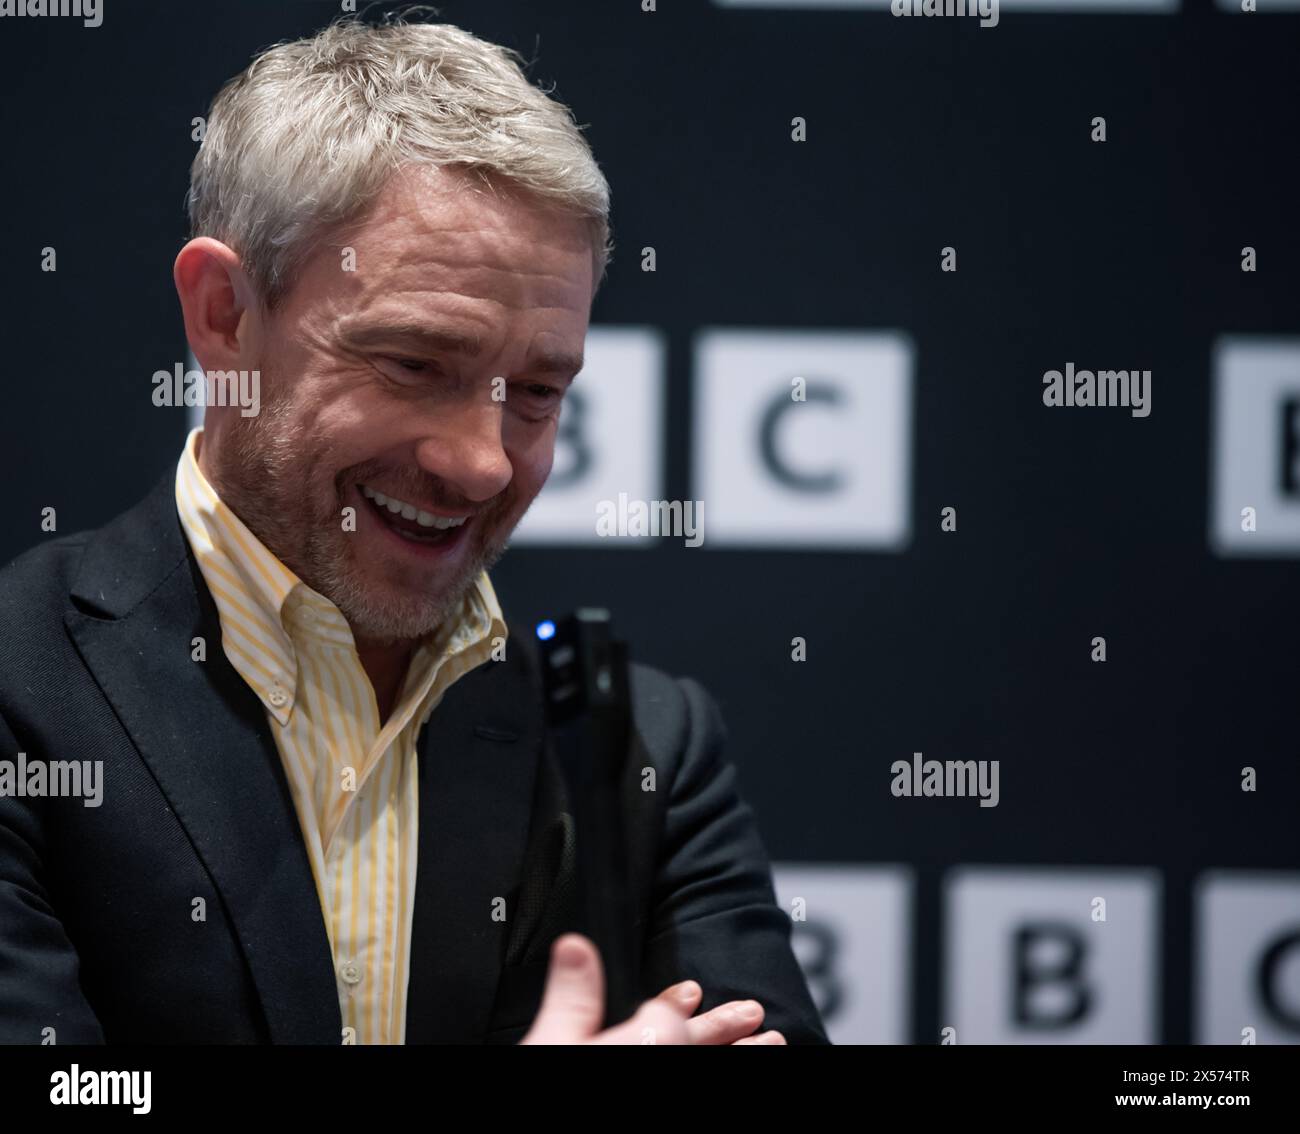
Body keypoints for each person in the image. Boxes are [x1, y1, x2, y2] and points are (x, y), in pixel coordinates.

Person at [0, 17, 828, 1046]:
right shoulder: (17, 693)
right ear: (223, 316)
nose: (482, 461)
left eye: (534, 391)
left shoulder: (645, 753)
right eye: (414, 365)